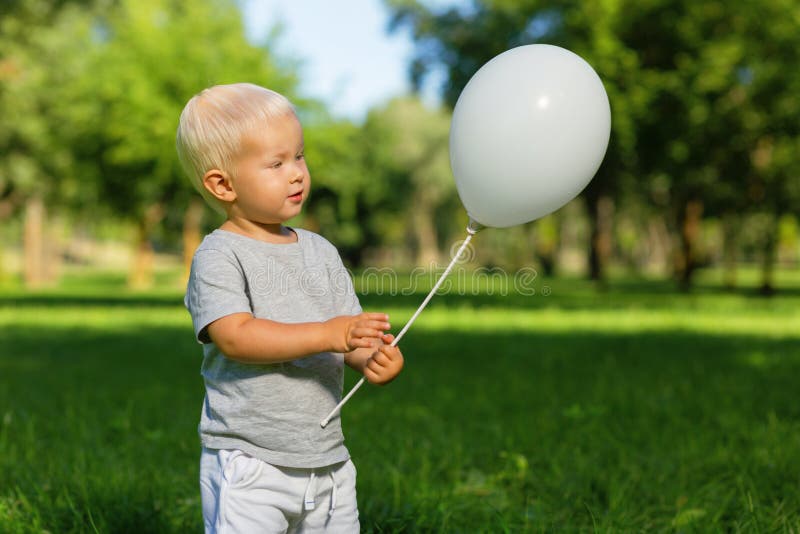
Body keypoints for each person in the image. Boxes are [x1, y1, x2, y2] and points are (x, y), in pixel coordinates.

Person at [176, 82, 404, 533]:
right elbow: (235, 336)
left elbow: (348, 337)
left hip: (328, 461)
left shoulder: (320, 251)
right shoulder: (220, 256)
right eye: (276, 163)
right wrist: (329, 333)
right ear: (222, 184)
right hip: (251, 461)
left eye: (299, 156)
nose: (297, 173)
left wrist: (370, 356)